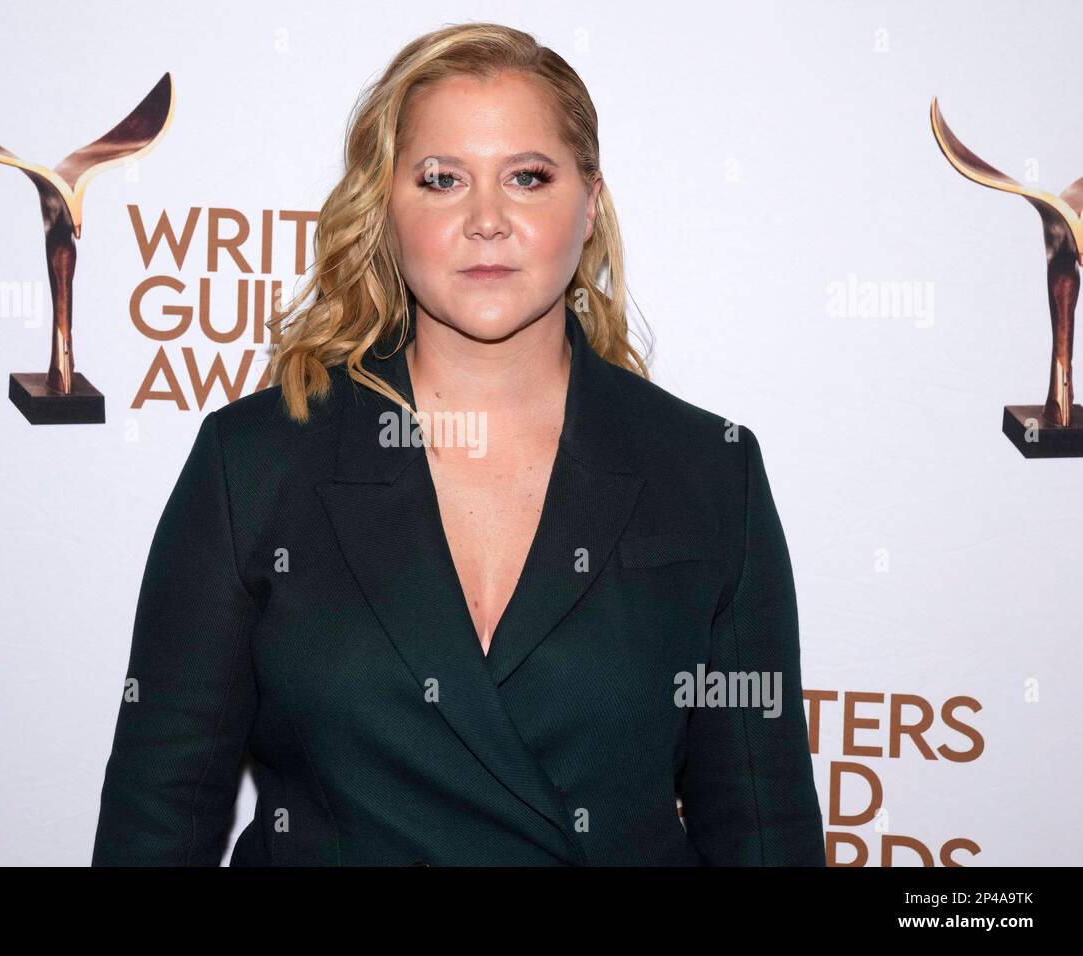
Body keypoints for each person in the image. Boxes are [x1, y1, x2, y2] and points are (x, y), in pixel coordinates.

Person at [91, 22, 825, 866]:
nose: (486, 221)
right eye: (441, 180)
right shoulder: (254, 461)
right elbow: (159, 813)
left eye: (527, 177)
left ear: (590, 203)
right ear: (385, 207)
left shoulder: (707, 471)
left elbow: (763, 828)